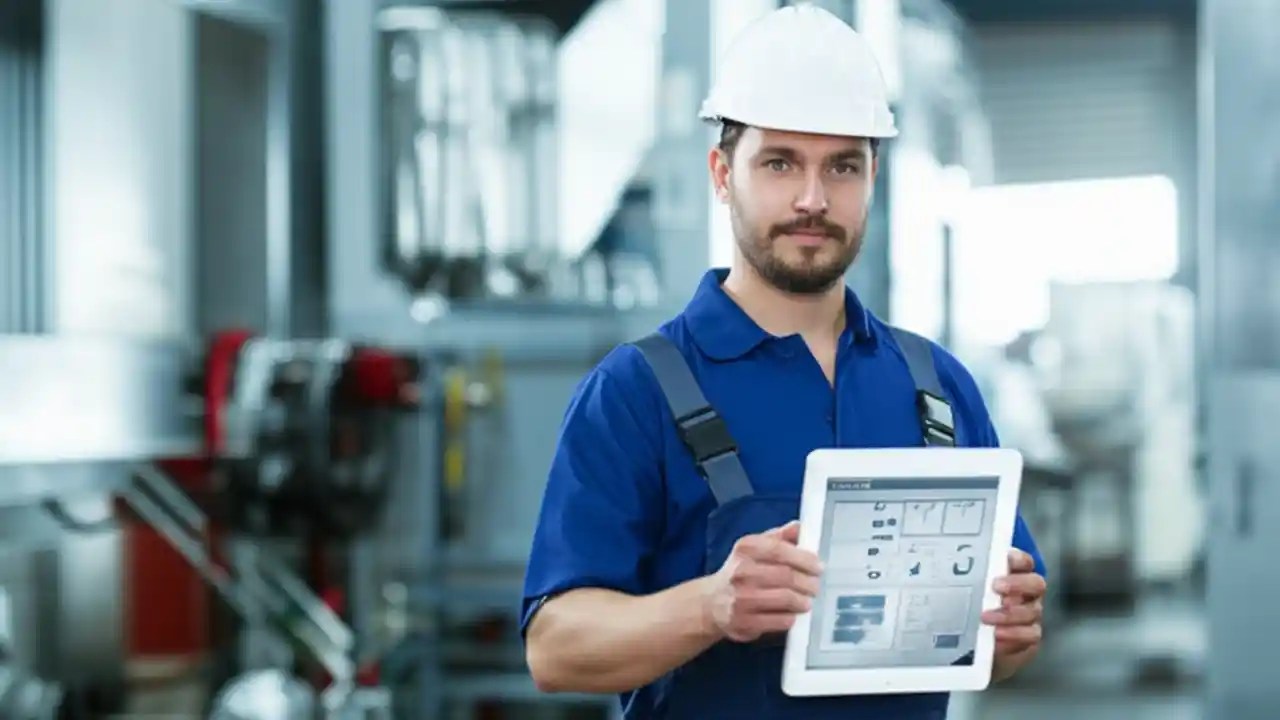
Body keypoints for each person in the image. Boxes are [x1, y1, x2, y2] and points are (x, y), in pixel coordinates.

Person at [521, 6, 1047, 719]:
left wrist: (1012, 628)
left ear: (872, 176)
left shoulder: (939, 388)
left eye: (842, 166)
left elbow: (1004, 649)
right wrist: (711, 607)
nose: (812, 198)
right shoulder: (636, 392)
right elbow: (554, 648)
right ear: (721, 173)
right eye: (779, 163)